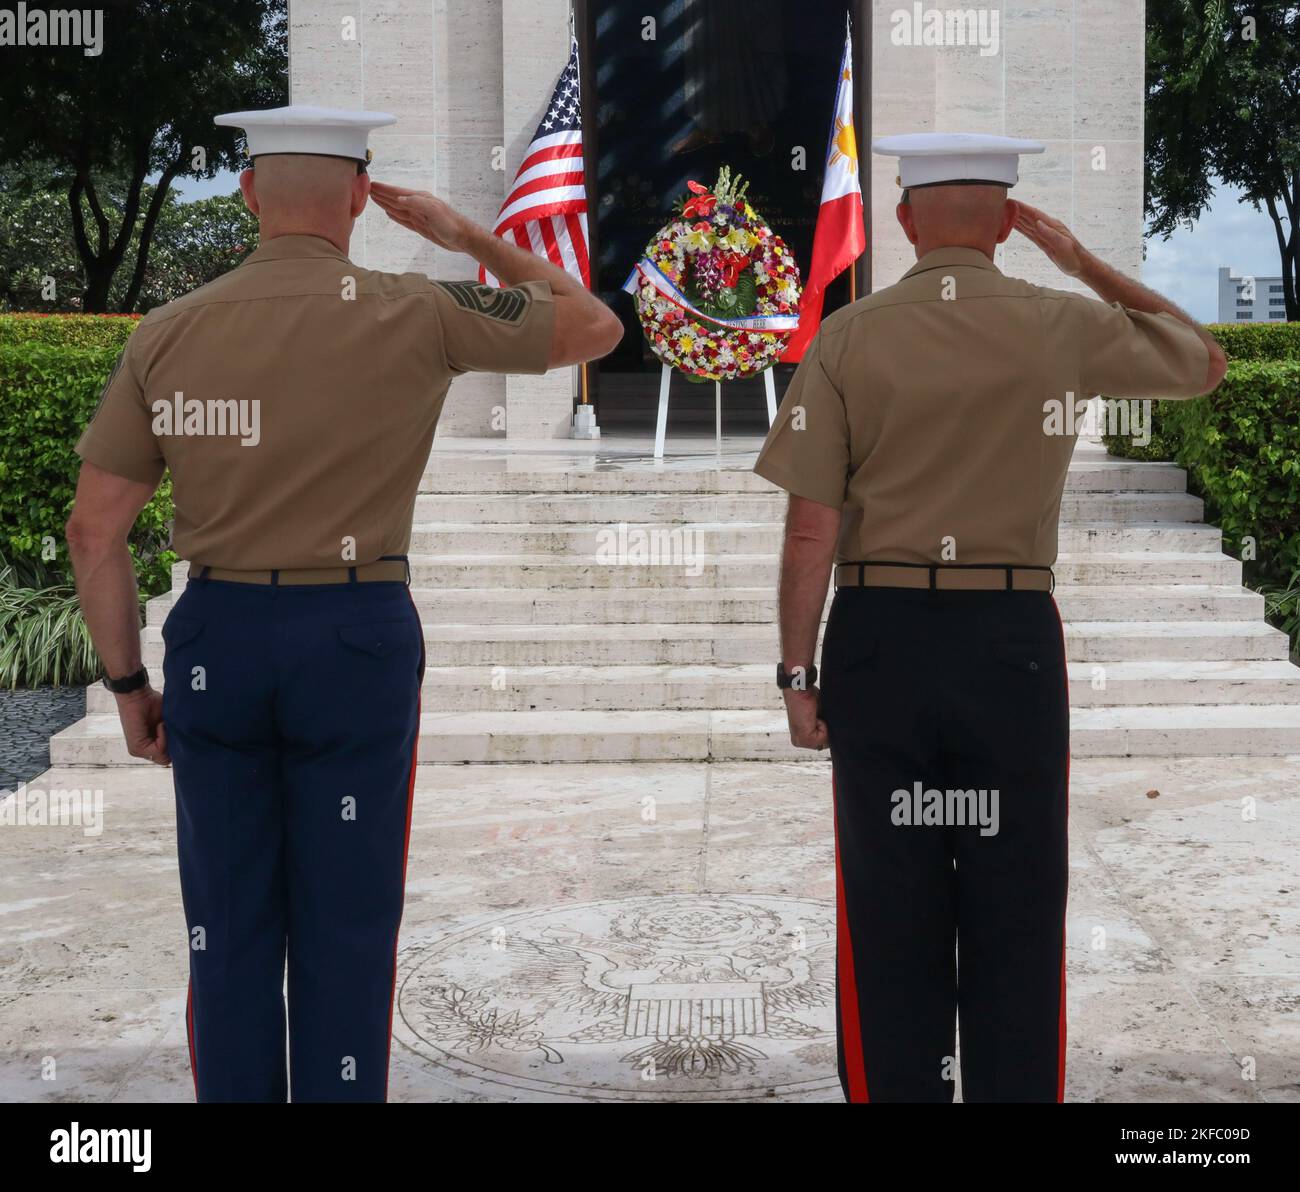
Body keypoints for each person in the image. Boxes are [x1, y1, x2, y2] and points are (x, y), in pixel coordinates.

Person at [64, 103, 622, 1103]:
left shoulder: (169, 332)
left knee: (226, 928)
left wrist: (127, 684)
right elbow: (595, 326)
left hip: (218, 639)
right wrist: (467, 239)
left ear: (247, 195)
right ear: (361, 197)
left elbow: (93, 529)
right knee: (350, 921)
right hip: (355, 638)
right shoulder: (417, 309)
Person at [754, 132, 1227, 1103]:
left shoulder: (847, 336)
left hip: (879, 640)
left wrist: (798, 678)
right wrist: (1084, 263)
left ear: (901, 219)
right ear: (1009, 223)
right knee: (1016, 905)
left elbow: (810, 534)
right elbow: (1201, 360)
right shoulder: (1058, 322)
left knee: (889, 906)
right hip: (1009, 643)